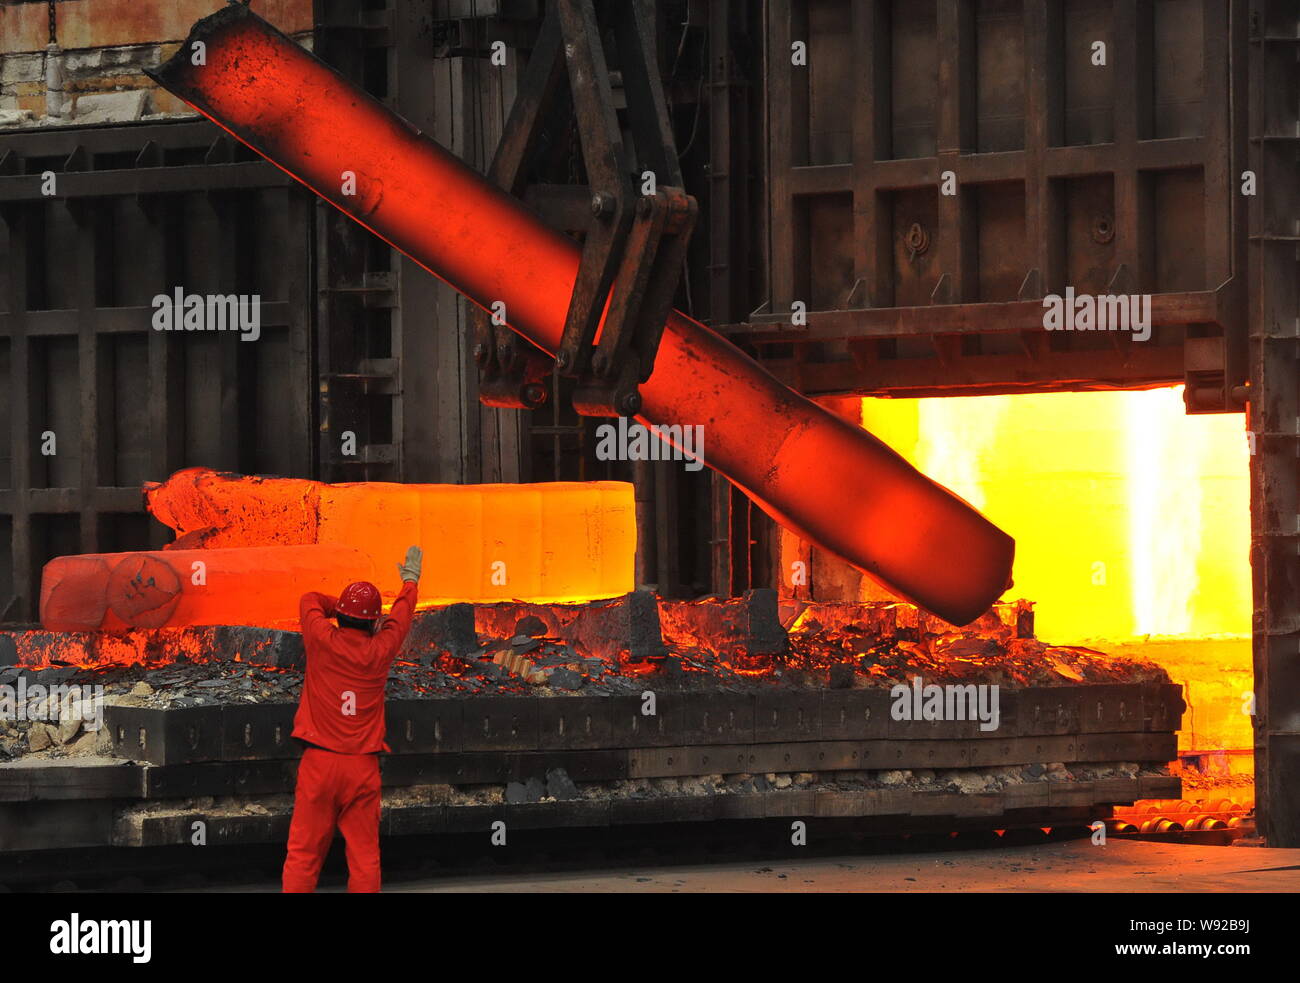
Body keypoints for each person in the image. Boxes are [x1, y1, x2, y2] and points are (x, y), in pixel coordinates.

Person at [281, 545, 423, 893]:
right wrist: (410, 581)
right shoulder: (380, 650)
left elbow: (309, 599)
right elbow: (400, 617)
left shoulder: (321, 638)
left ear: (339, 617)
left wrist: (338, 605)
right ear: (374, 622)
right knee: (364, 856)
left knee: (302, 854)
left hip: (319, 763)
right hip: (361, 768)